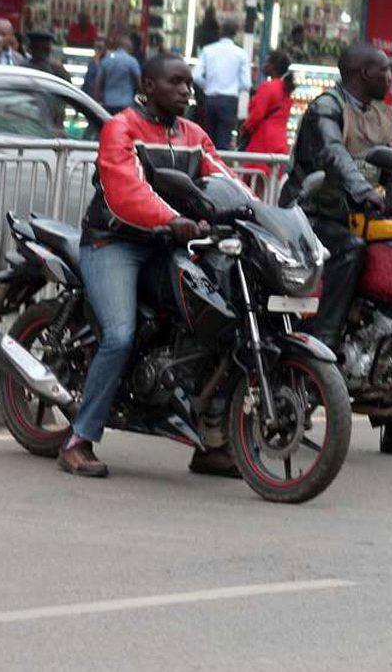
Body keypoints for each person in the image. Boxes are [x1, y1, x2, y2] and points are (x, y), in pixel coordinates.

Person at [61, 53, 250, 478]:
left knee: (217, 323)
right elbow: (126, 189)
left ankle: (213, 444)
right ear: (147, 85)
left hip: (167, 247)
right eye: (175, 82)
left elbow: (225, 181)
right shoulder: (121, 127)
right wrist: (172, 219)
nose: (186, 90)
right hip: (115, 243)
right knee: (119, 335)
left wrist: (256, 214)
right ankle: (79, 439)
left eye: (188, 83)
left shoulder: (194, 134)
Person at [286, 42, 392, 460]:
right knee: (351, 251)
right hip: (312, 216)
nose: (391, 77)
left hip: (356, 213)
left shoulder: (379, 112)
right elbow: (332, 155)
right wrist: (365, 191)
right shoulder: (326, 108)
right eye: (385, 71)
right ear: (364, 74)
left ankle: (390, 414)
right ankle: (325, 335)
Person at [193, 21, 252, 151]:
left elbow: (196, 76)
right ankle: (220, 166)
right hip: (230, 100)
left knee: (209, 137)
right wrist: (234, 87)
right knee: (224, 140)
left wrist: (207, 86)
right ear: (235, 34)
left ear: (220, 33)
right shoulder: (241, 54)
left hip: (210, 99)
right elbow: (246, 84)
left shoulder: (208, 50)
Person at [239, 49, 295, 173]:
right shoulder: (286, 88)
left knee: (256, 180)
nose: (263, 65)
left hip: (263, 141)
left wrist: (244, 128)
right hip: (280, 141)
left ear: (273, 67)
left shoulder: (267, 87)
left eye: (267, 62)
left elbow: (257, 114)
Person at [95, 34, 141, 114]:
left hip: (108, 103)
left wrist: (97, 101)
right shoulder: (132, 61)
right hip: (126, 104)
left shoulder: (106, 60)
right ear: (127, 45)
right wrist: (142, 101)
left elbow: (97, 83)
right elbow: (139, 84)